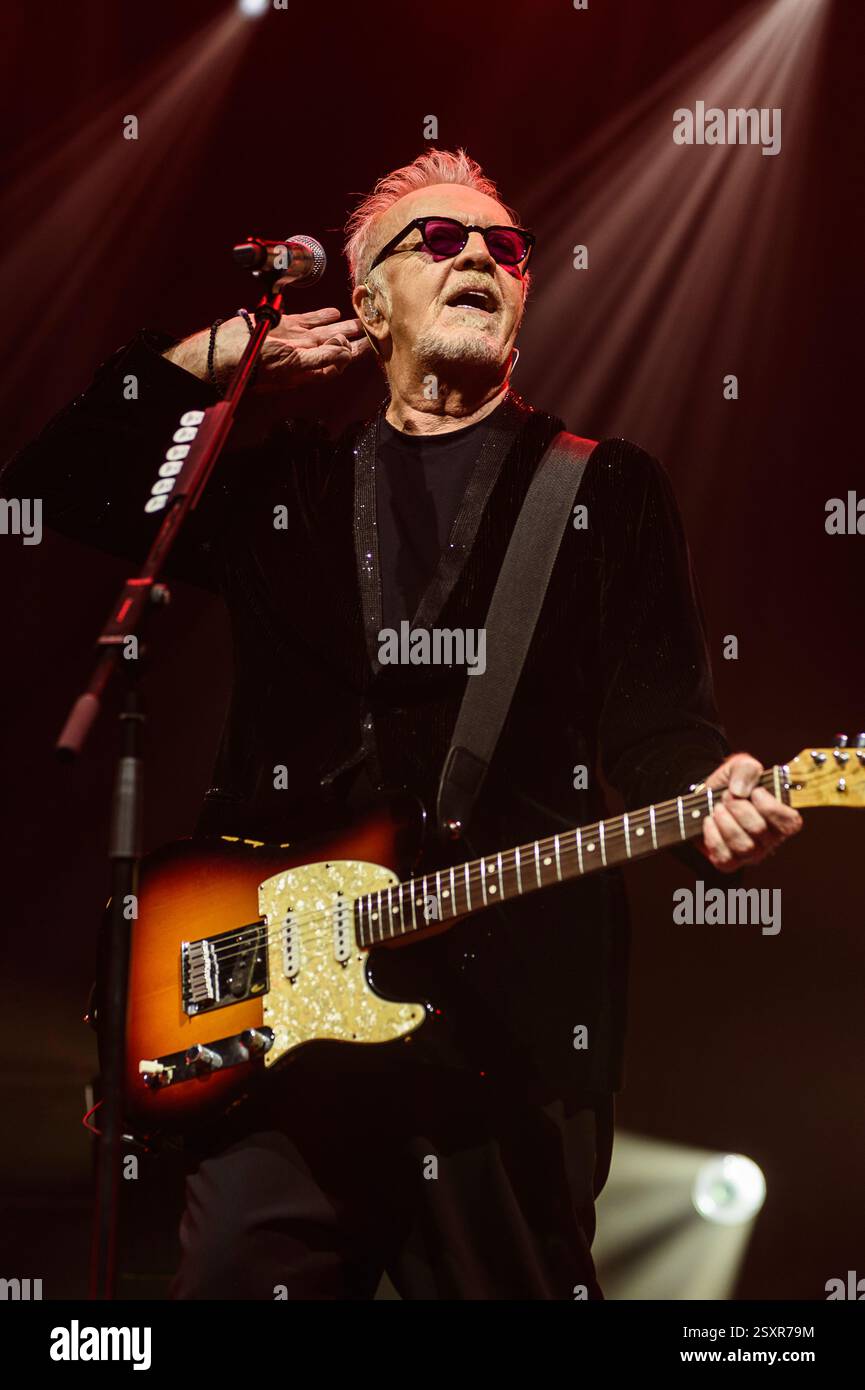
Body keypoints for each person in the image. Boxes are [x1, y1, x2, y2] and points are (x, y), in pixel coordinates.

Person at [2, 148, 802, 1300]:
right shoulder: (286, 486)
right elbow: (57, 478)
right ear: (366, 303)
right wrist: (219, 359)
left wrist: (711, 792)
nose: (478, 252)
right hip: (271, 1028)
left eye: (504, 246)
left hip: (508, 1031)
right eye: (435, 239)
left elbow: (654, 727)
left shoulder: (604, 489)